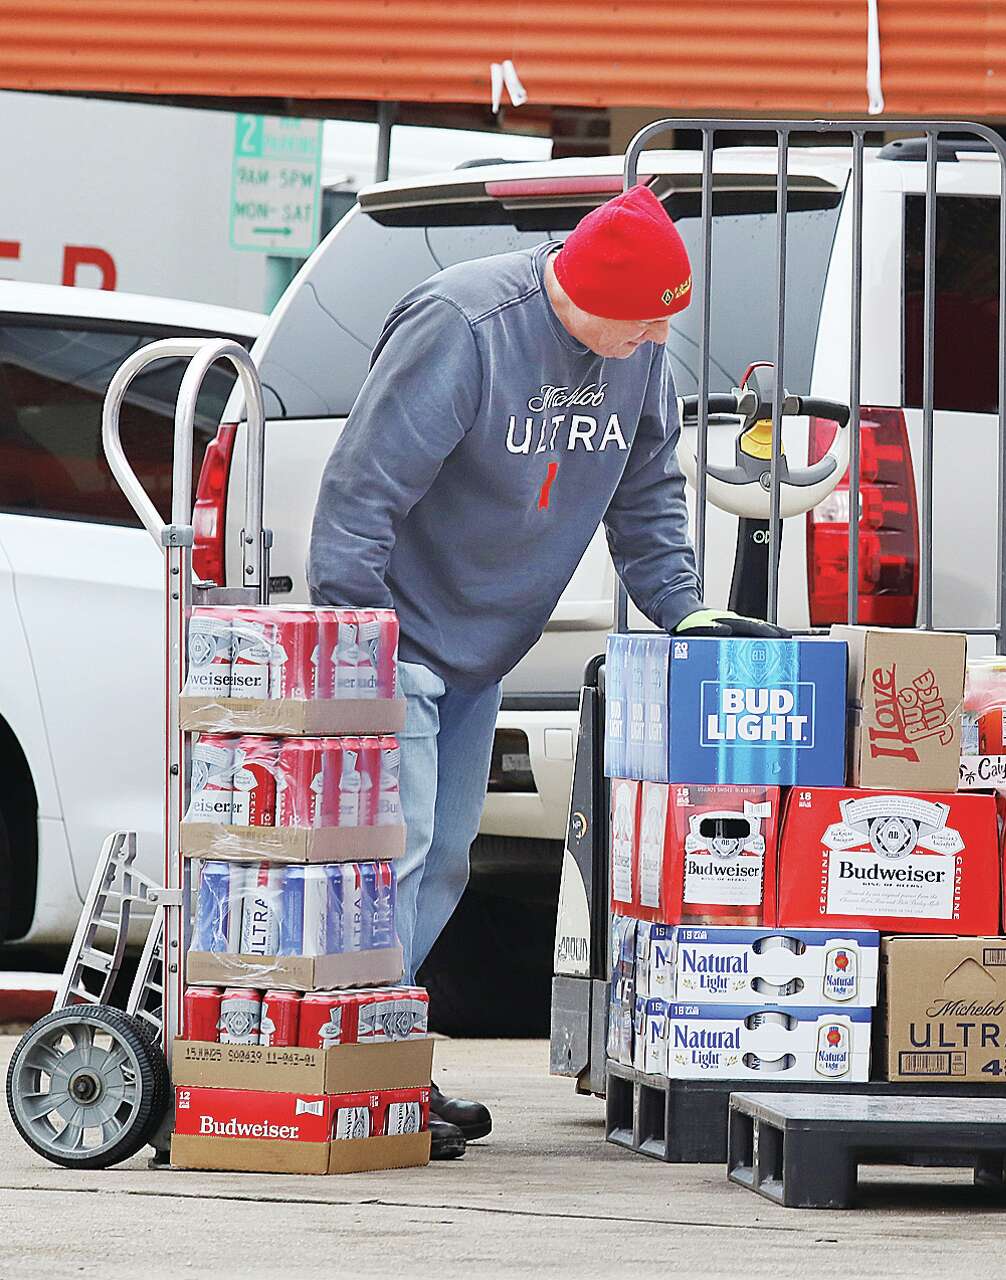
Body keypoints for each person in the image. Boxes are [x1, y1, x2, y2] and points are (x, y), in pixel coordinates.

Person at [308, 186, 779, 1157]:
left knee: (441, 859)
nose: (659, 334)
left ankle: (381, 1061)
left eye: (666, 318)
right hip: (395, 633)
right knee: (399, 855)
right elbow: (361, 489)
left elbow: (647, 498)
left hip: (483, 648)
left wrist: (685, 606)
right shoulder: (465, 326)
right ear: (585, 291)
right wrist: (360, 639)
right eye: (645, 315)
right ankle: (356, 1072)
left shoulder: (637, 354)